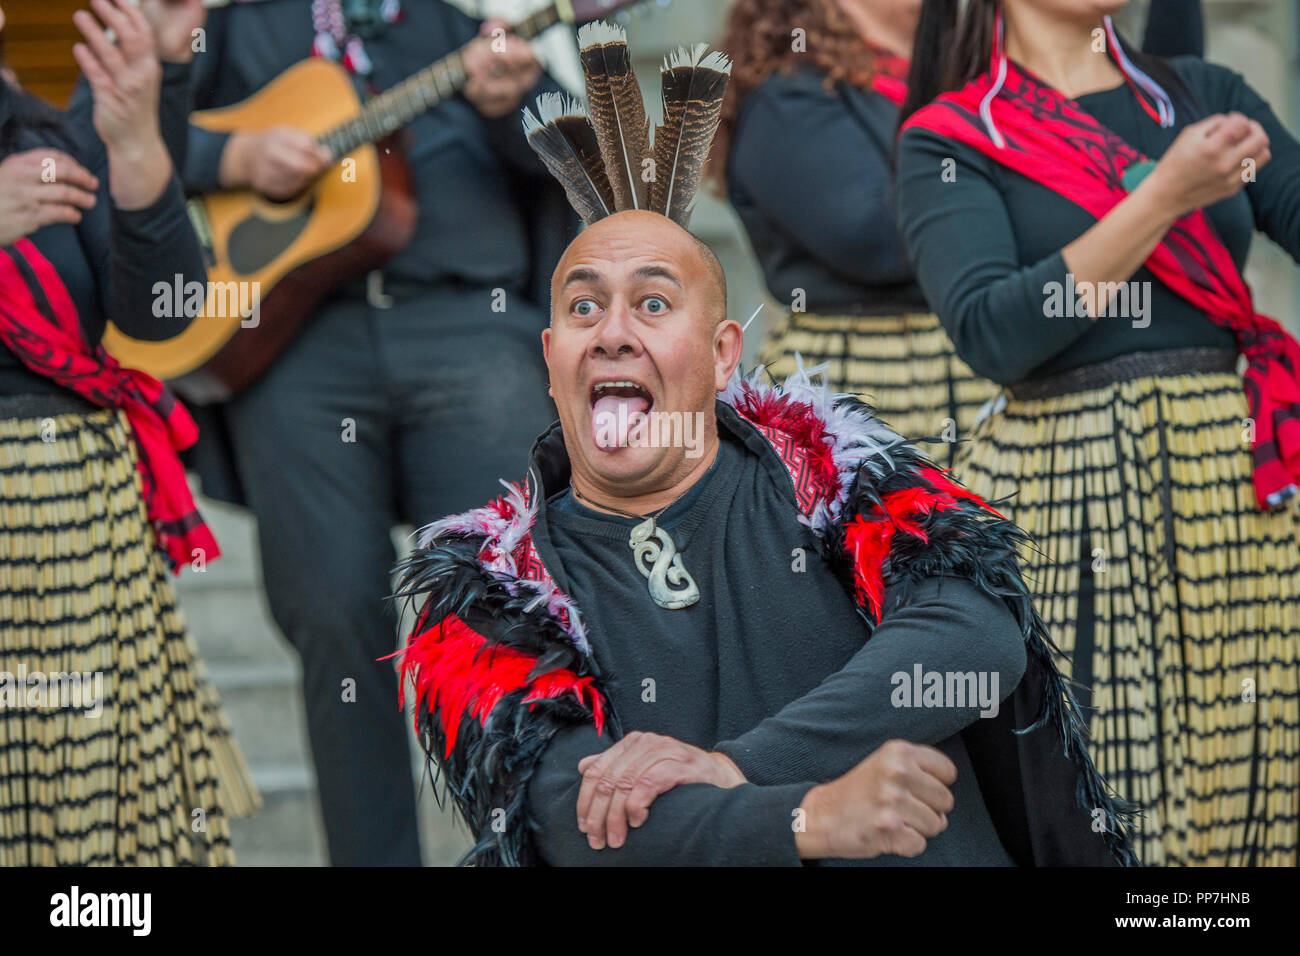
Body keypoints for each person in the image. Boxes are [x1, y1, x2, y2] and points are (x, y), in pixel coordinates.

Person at [391, 23, 1135, 866]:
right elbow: (566, 818)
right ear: (551, 358)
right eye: (584, 308)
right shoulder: (495, 598)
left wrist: (741, 767)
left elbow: (973, 635)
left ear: (721, 358)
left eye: (656, 303)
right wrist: (807, 819)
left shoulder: (838, 479)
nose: (613, 332)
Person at [894, 0, 1300, 865]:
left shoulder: (1198, 96)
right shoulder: (954, 136)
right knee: (1120, 781)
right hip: (1074, 489)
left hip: (1233, 478)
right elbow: (997, 334)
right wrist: (1160, 197)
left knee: (1259, 762)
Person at [180, 0, 578, 865]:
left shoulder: (471, 16)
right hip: (297, 340)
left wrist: (520, 97)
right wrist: (234, 154)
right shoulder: (232, 21)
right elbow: (136, 143)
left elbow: (580, 165)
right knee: (332, 618)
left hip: (471, 322)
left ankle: (529, 852)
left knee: (501, 606)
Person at [716, 0, 1202, 463]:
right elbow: (873, 239)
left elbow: (1148, 132)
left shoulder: (984, 79)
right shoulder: (789, 95)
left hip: (991, 362)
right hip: (867, 375)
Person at [0, 0, 256, 865]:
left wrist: (138, 141)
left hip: (82, 518)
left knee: (101, 827)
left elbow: (160, 309)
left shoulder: (45, 137)